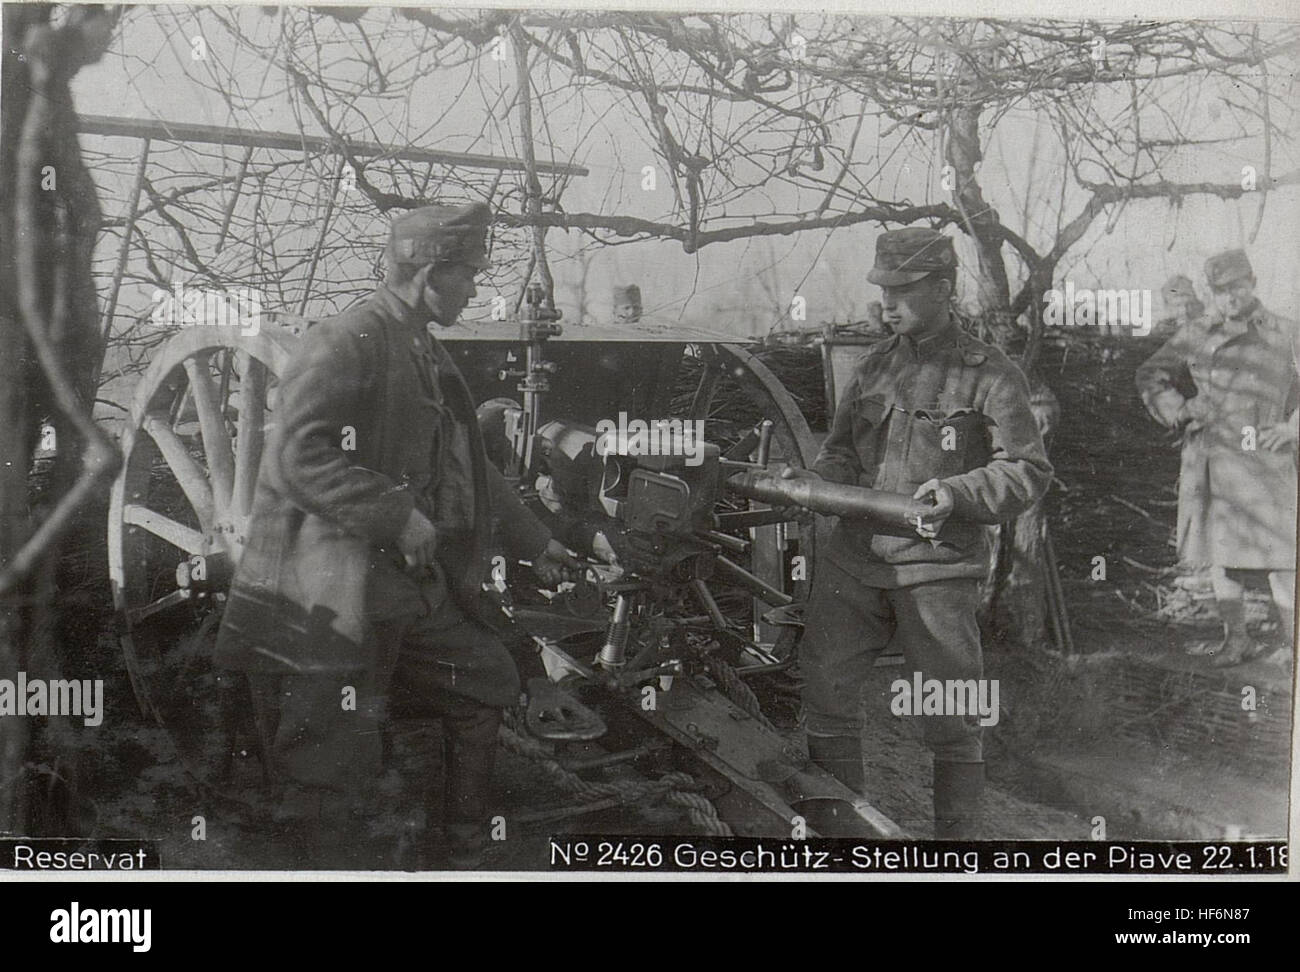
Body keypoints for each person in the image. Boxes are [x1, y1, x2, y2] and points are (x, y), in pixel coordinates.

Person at [214, 203, 579, 868]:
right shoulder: (347, 339)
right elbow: (296, 455)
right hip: (326, 594)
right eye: (467, 273)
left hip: (403, 590)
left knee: (487, 677)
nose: (475, 287)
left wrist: (535, 540)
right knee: (330, 767)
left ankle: (464, 850)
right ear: (428, 271)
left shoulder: (422, 349)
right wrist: (394, 512)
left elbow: (468, 463)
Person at [782, 228, 1052, 838]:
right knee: (826, 693)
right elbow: (843, 453)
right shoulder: (873, 367)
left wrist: (956, 493)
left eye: (904, 289)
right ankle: (842, 842)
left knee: (952, 712)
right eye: (883, 289)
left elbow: (1028, 470)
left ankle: (956, 853)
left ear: (944, 289)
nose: (889, 302)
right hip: (854, 563)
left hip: (937, 568)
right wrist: (816, 482)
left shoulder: (990, 373)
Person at [1136, 248, 1298, 667]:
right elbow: (1150, 374)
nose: (1230, 297)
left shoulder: (1285, 332)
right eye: (1221, 291)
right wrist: (1182, 409)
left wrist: (1293, 428)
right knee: (1222, 555)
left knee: (1283, 558)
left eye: (1238, 287)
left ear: (1253, 283)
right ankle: (1237, 639)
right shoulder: (1197, 333)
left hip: (1267, 456)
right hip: (1214, 456)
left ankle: (1292, 643)